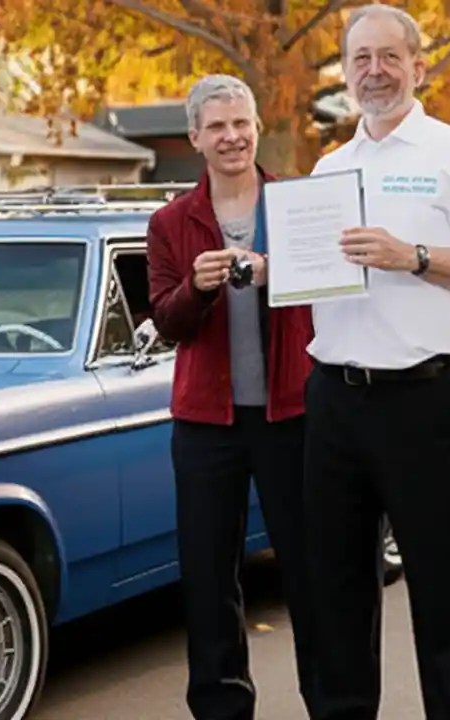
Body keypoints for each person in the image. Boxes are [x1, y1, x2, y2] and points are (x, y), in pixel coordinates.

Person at [302, 5, 450, 720]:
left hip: (421, 403)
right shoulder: (328, 168)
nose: (373, 71)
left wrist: (414, 257)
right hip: (334, 400)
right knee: (336, 590)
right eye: (359, 57)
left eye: (388, 56)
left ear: (418, 65)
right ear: (346, 70)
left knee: (444, 586)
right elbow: (312, 273)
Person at [146, 74, 321, 720]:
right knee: (209, 576)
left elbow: (331, 294)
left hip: (290, 415)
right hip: (205, 425)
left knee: (308, 570)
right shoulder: (170, 223)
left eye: (240, 123)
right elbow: (167, 320)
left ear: (255, 126)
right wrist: (196, 286)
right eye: (216, 126)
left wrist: (283, 274)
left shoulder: (296, 206)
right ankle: (221, 708)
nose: (232, 137)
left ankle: (331, 702)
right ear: (195, 137)